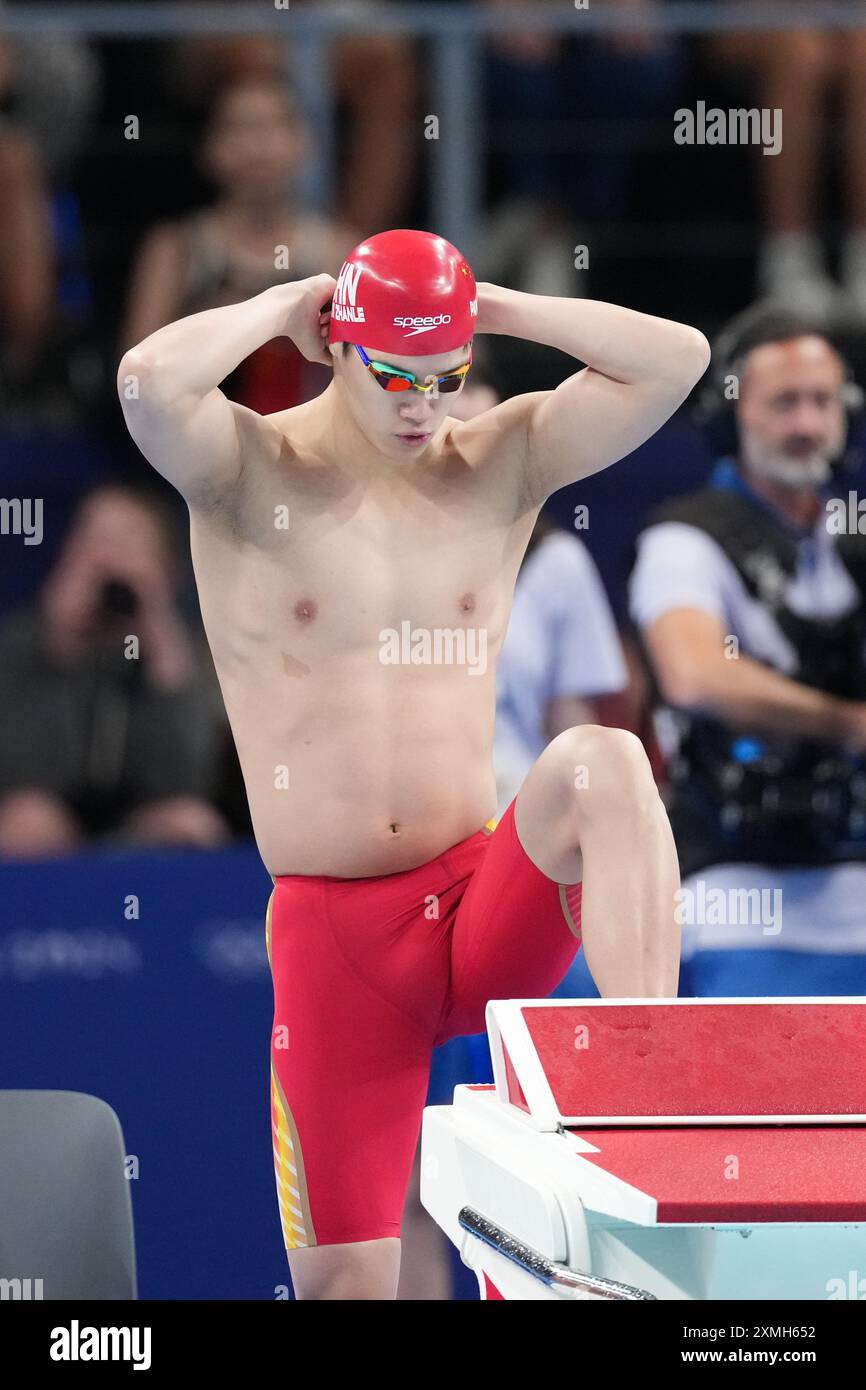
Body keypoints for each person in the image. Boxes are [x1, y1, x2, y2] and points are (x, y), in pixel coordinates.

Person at [117, 227, 709, 1300]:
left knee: (603, 761)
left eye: (444, 379)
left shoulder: (500, 463)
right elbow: (148, 380)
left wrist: (497, 309)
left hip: (478, 898)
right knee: (348, 1286)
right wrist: (286, 299)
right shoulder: (248, 470)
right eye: (395, 374)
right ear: (337, 345)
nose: (420, 408)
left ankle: (641, 1090)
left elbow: (677, 358)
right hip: (338, 945)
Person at [630, 304, 866, 995]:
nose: (806, 424)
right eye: (783, 403)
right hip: (735, 898)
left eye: (823, 402)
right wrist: (847, 722)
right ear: (729, 417)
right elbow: (694, 673)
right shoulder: (683, 539)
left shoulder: (850, 548)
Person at [0, 484, 229, 857]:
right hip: (50, 826)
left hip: (137, 826)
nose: (107, 558)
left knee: (192, 821)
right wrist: (61, 643)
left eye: (128, 542)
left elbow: (190, 780)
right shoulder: (22, 645)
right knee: (30, 821)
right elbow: (22, 775)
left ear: (168, 569)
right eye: (93, 538)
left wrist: (161, 641)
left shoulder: (185, 654)